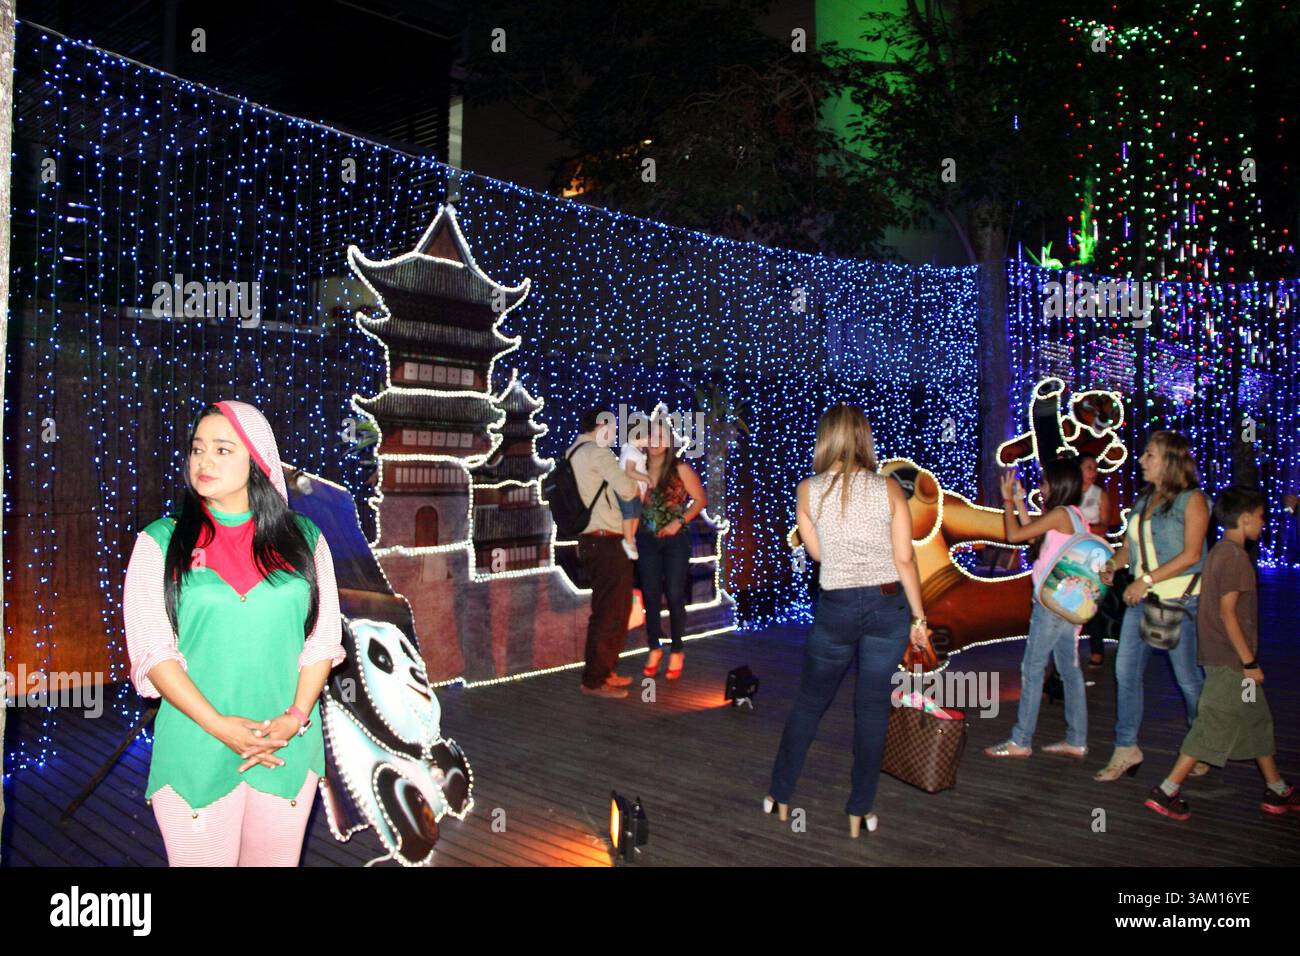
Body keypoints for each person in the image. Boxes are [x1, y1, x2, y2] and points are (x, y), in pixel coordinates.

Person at [124, 400, 345, 866]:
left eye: (223, 450)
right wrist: (220, 727)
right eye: (198, 449)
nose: (204, 461)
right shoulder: (160, 542)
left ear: (257, 460)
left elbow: (322, 641)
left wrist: (294, 718)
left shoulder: (304, 539)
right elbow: (154, 653)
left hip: (285, 743)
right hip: (197, 746)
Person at [764, 405, 932, 838]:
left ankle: (780, 795)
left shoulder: (808, 489)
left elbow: (820, 554)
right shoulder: (888, 488)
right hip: (887, 606)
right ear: (863, 438)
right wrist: (919, 617)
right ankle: (859, 811)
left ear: (826, 439)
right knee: (872, 709)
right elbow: (904, 559)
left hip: (836, 607)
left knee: (809, 703)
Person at [1145, 486, 1298, 818]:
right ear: (1245, 519)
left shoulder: (1219, 552)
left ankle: (1277, 789)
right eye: (1261, 517)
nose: (1264, 523)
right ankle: (1167, 790)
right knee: (1211, 725)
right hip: (1231, 663)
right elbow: (1229, 614)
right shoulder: (1235, 559)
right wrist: (1249, 662)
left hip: (1229, 662)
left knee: (1256, 719)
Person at [1095, 430, 1210, 782]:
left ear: (1170, 461)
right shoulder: (1145, 500)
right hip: (1142, 599)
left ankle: (1203, 743)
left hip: (1179, 600)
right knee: (1125, 673)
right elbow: (1131, 548)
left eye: (1150, 455)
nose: (1142, 460)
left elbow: (1192, 554)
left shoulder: (1193, 500)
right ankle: (1126, 748)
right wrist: (1114, 564)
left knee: (1187, 680)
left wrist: (1145, 580)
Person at [984, 458, 1090, 759]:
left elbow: (1015, 536)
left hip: (1051, 605)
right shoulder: (1075, 515)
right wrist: (1019, 502)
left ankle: (1021, 740)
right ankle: (1077, 739)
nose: (1041, 488)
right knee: (1069, 671)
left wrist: (1007, 501)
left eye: (1044, 482)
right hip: (1069, 603)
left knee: (1032, 668)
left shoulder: (1059, 514)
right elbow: (1033, 535)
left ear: (1058, 484)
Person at [568, 408, 642, 699]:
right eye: (611, 427)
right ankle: (595, 680)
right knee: (611, 611)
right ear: (601, 426)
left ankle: (603, 671)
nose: (614, 434)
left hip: (592, 540)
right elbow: (628, 489)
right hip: (607, 541)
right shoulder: (598, 453)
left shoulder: (573, 451)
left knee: (610, 609)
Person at [637, 416, 707, 681]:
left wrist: (678, 523)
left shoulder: (681, 468)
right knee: (651, 594)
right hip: (647, 538)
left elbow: (700, 500)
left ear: (668, 442)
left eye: (660, 437)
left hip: (676, 539)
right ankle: (654, 647)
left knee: (675, 593)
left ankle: (677, 649)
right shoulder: (638, 467)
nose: (655, 442)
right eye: (651, 437)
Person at [1079, 452, 1114, 667]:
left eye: (1095, 468)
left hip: (1093, 552)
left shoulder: (1099, 494)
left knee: (1092, 600)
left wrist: (1081, 529)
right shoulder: (1070, 492)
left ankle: (1097, 649)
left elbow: (1104, 525)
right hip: (1072, 552)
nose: (1093, 472)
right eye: (1089, 468)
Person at [617, 412, 651, 560]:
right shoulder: (631, 452)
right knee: (629, 514)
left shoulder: (636, 452)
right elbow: (629, 471)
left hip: (637, 491)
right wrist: (646, 478)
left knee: (635, 514)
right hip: (629, 491)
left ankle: (631, 538)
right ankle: (628, 540)